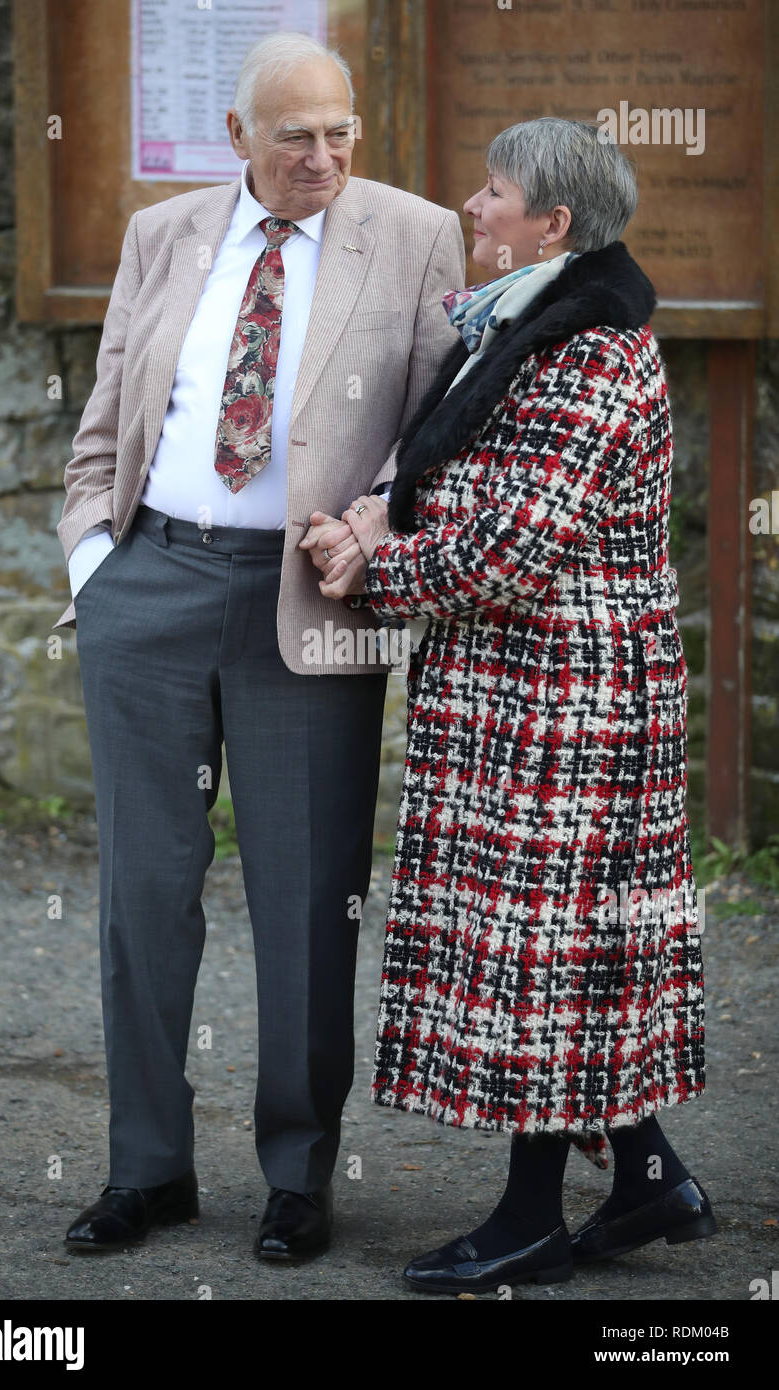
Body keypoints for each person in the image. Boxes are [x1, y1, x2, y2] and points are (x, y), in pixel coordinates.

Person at [54, 31, 464, 1261]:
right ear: (237, 138)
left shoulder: (417, 235)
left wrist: (378, 519)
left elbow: (439, 429)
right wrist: (94, 563)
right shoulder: (161, 236)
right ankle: (147, 1170)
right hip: (153, 591)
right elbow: (107, 416)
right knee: (141, 897)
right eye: (296, 136)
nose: (324, 157)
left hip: (313, 601)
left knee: (305, 904)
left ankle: (296, 1176)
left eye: (341, 132)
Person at [306, 116, 715, 1293]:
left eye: (494, 194)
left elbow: (515, 547)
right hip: (528, 688)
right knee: (562, 945)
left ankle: (532, 1220)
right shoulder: (528, 325)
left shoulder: (591, 348)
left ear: (556, 223)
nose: (471, 210)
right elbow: (463, 487)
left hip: (573, 697)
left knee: (545, 951)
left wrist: (372, 570)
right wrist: (381, 520)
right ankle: (648, 1178)